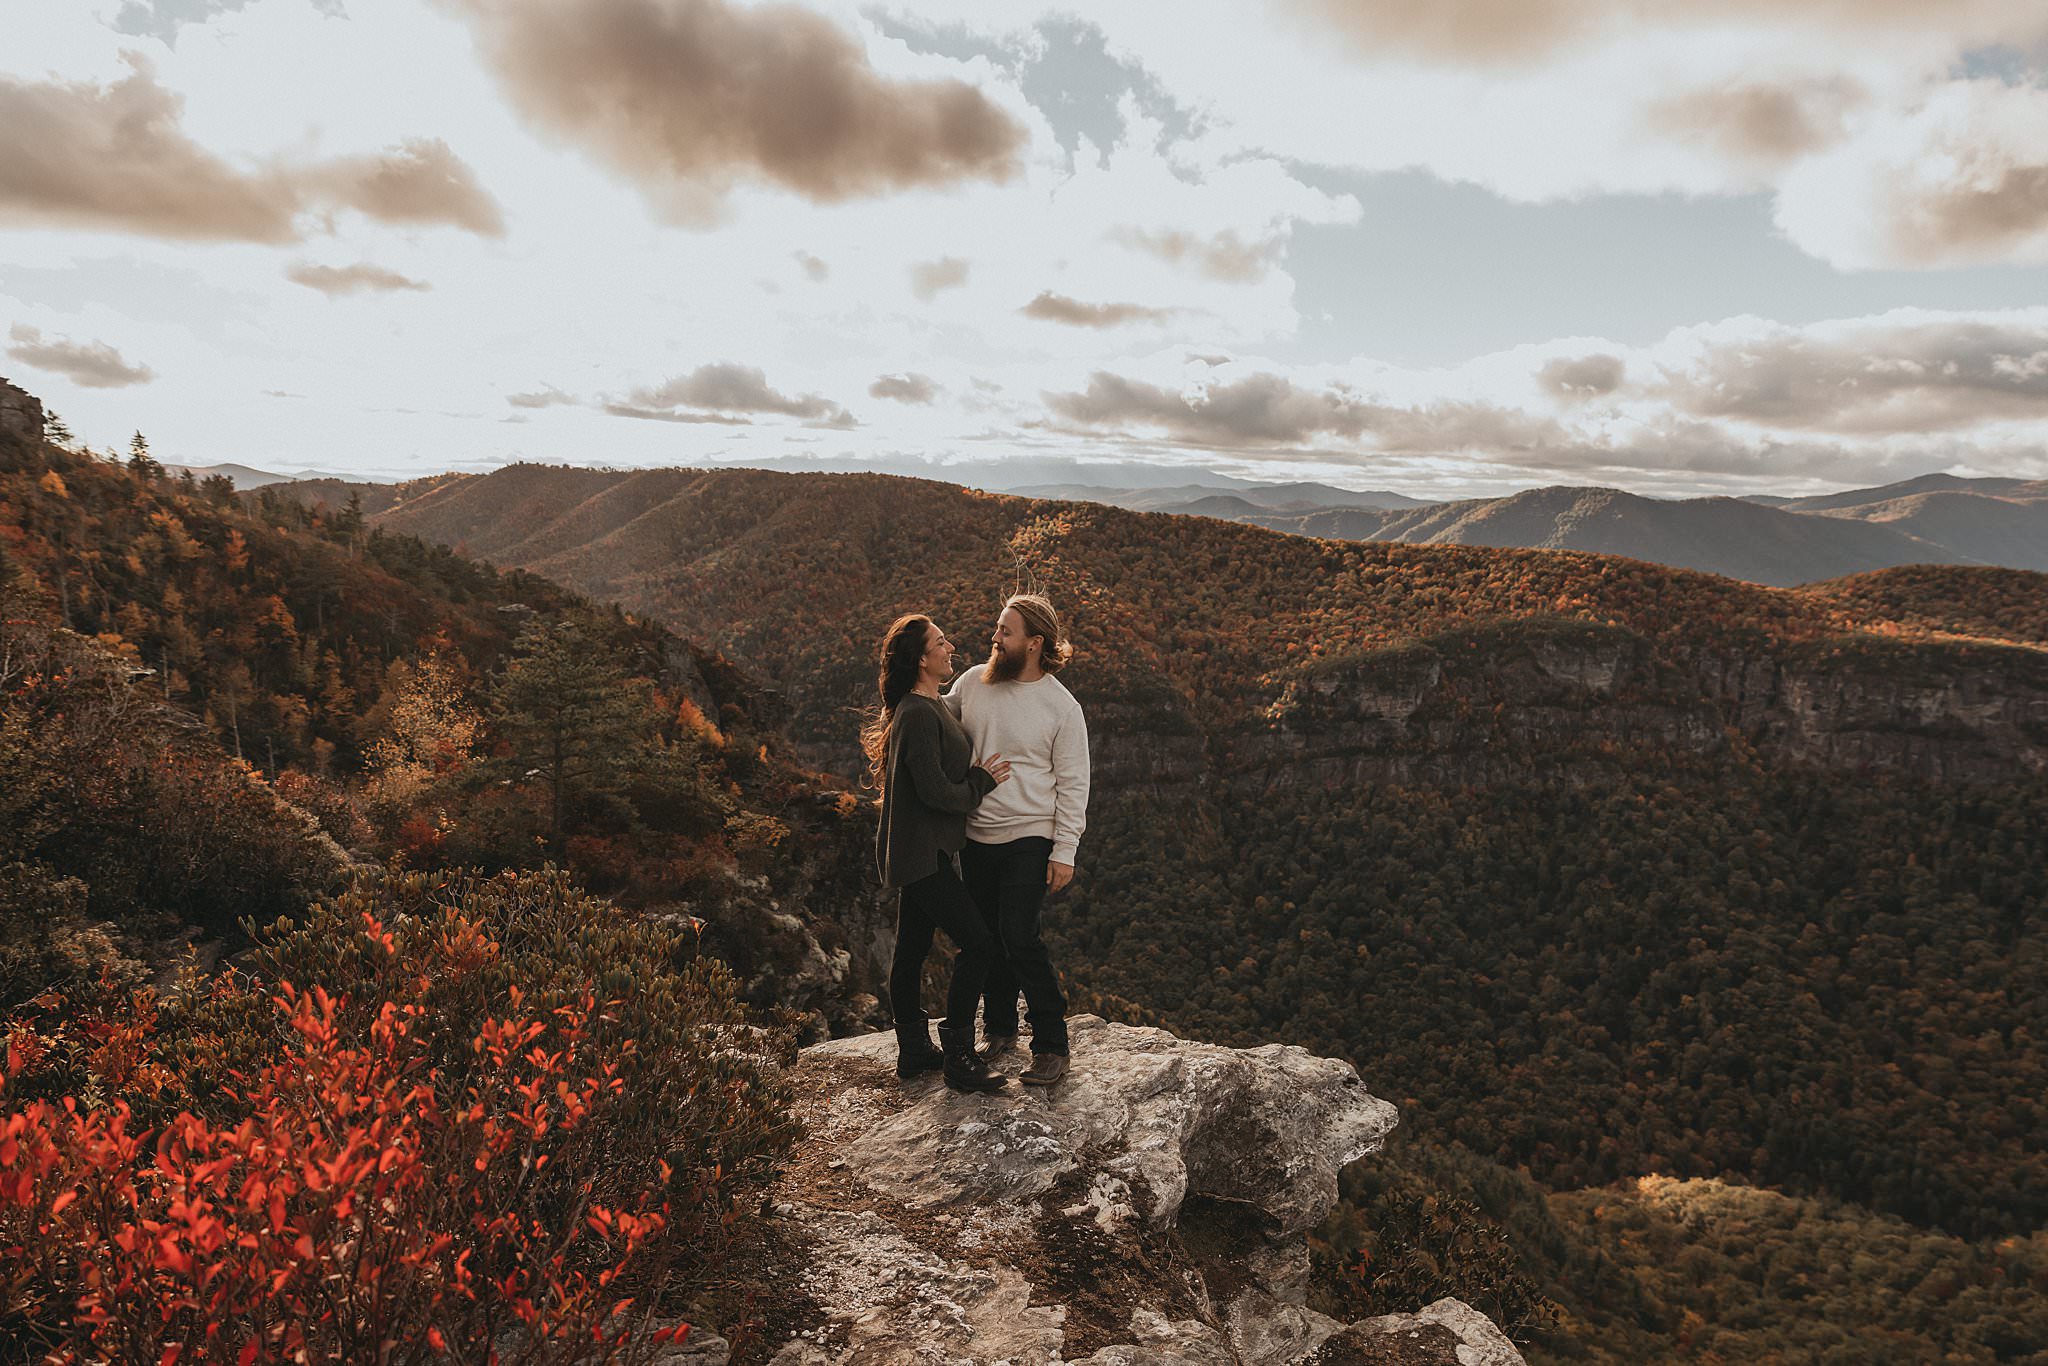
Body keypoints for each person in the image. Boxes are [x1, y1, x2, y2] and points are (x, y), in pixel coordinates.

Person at [862, 613, 1013, 1092]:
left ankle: (912, 1052)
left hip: (921, 851)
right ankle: (960, 1057)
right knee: (981, 943)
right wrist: (981, 782)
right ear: (922, 659)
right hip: (922, 855)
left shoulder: (930, 704)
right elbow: (934, 791)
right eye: (941, 642)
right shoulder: (917, 713)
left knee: (911, 950)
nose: (951, 647)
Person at [946, 593, 1089, 1087]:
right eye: (997, 627)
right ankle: (1001, 1027)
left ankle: (1051, 1044)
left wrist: (1065, 851)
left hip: (1031, 834)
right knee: (986, 937)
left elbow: (1074, 783)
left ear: (1034, 643)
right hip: (977, 834)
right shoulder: (971, 684)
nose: (994, 637)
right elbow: (934, 724)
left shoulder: (1060, 707)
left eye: (1005, 631)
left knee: (1020, 935)